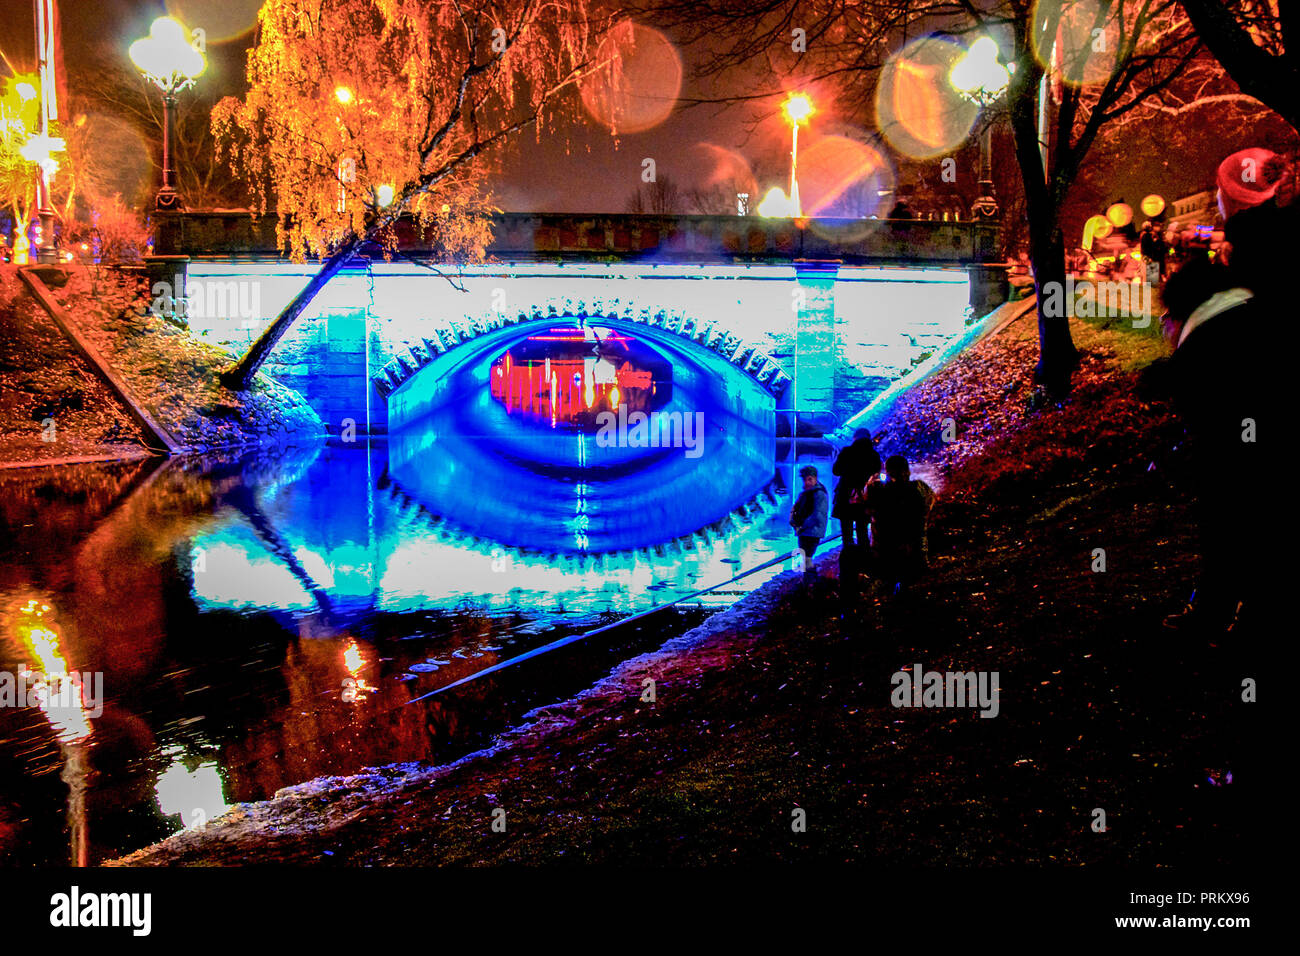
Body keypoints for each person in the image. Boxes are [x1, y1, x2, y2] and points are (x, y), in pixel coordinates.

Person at [864, 455, 936, 596]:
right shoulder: (919, 488)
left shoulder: (879, 490)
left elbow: (867, 508)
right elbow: (930, 503)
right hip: (915, 550)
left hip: (886, 551)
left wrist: (870, 484)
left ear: (888, 472)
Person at [831, 428, 881, 548]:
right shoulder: (874, 455)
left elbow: (836, 471)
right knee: (862, 530)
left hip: (845, 496)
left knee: (846, 532)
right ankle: (864, 560)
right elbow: (876, 473)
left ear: (855, 438)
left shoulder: (847, 452)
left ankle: (848, 559)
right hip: (864, 496)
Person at [789, 464, 829, 579]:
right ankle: (808, 582)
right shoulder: (807, 493)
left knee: (807, 557)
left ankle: (810, 583)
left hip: (811, 531)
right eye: (805, 479)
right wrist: (793, 521)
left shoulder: (819, 494)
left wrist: (802, 526)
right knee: (805, 557)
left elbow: (817, 515)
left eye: (809, 479)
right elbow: (796, 507)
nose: (807, 482)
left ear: (815, 478)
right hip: (805, 530)